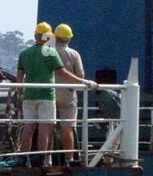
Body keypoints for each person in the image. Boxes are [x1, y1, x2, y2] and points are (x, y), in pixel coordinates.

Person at [14, 22, 96, 165]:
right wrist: (83, 82)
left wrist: (20, 93)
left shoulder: (24, 53)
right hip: (48, 96)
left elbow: (20, 77)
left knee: (29, 127)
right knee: (48, 128)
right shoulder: (52, 53)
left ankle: (27, 158)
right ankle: (49, 159)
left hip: (29, 96)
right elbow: (62, 72)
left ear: (35, 35)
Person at [53, 23, 84, 160]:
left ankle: (47, 158)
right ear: (69, 39)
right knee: (68, 127)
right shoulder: (74, 54)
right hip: (68, 94)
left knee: (47, 126)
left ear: (55, 37)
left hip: (50, 93)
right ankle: (69, 158)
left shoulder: (49, 52)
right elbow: (81, 76)